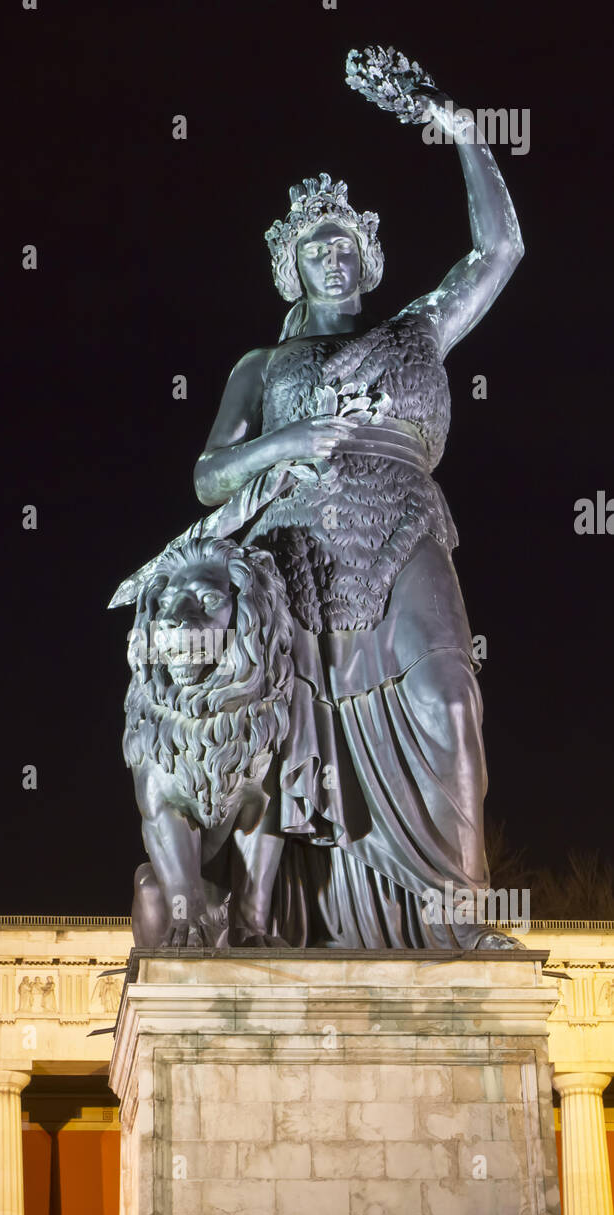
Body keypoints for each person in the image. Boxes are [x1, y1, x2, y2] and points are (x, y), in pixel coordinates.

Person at [186, 84, 524, 949]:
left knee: (449, 694)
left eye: (346, 244)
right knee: (295, 744)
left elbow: (500, 248)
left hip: (406, 521)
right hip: (299, 546)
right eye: (315, 248)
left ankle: (459, 916)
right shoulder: (262, 364)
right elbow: (209, 475)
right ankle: (297, 918)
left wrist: (460, 128)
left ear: (368, 259)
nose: (332, 258)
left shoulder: (418, 331)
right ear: (291, 267)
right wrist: (285, 439)